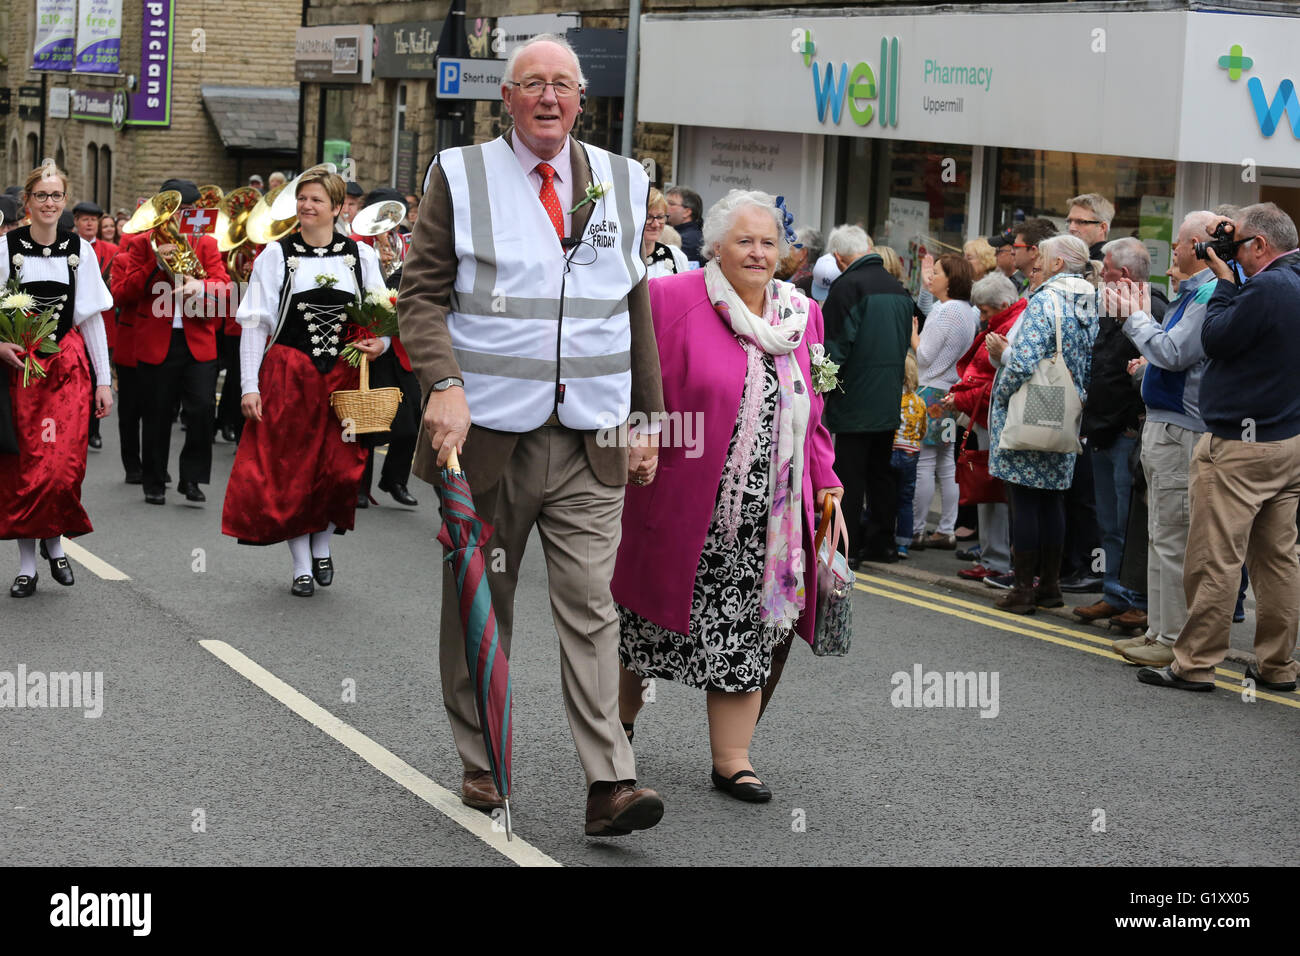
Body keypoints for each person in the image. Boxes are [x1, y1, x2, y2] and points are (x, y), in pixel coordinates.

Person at [399, 34, 667, 836]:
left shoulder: (623, 178)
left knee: (591, 606)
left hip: (593, 435)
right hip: (488, 438)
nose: (548, 98)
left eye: (563, 85)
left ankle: (609, 783)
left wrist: (649, 414)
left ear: (583, 99)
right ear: (507, 99)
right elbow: (420, 293)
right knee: (484, 598)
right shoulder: (459, 172)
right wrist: (442, 384)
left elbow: (632, 300)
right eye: (532, 85)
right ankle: (481, 760)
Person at [612, 189, 841, 802]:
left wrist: (827, 480)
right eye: (745, 241)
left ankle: (733, 758)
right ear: (715, 246)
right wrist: (637, 436)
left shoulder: (802, 315)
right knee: (645, 625)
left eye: (769, 242)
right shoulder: (672, 298)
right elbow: (632, 376)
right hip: (681, 503)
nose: (759, 253)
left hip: (770, 519)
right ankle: (618, 726)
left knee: (749, 630)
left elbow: (811, 415)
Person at [1136, 203, 1300, 693]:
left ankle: (1195, 664)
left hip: (1240, 445)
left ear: (1260, 246)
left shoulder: (1265, 287)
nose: (1229, 254)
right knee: (1277, 559)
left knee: (1215, 557)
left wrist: (1225, 280)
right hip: (1287, 442)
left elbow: (1215, 336)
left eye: (1237, 244)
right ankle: (1277, 666)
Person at [221, 165, 387, 595]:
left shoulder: (359, 256)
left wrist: (381, 344)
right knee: (291, 468)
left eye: (316, 200)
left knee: (341, 467)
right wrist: (249, 385)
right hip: (290, 371)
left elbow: (380, 314)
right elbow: (256, 324)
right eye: (302, 198)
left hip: (345, 373)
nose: (306, 206)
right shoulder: (277, 255)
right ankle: (300, 565)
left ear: (337, 208)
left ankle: (324, 544)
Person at [1111, 211, 1219, 667]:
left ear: (1196, 245)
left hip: (1180, 429)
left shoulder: (1209, 293)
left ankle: (1171, 637)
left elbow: (1175, 353)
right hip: (1166, 424)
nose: (1171, 252)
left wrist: (1135, 318)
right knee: (1160, 533)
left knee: (1173, 537)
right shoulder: (1194, 292)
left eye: (1177, 243)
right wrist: (1149, 365)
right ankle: (1159, 630)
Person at [0, 165, 113, 597]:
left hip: (66, 367)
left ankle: (55, 541)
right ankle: (28, 565)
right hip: (21, 368)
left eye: (57, 195)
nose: (50, 203)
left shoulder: (79, 250)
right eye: (42, 195)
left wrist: (104, 380)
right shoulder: (6, 248)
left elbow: (91, 321)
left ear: (64, 200)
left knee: (63, 468)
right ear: (28, 202)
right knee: (28, 469)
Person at [986, 235, 1099, 614]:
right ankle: (1050, 585)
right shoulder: (1089, 300)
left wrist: (1002, 353)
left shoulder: (1046, 301)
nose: (1037, 263)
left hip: (1033, 409)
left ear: (1059, 265)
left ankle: (1022, 589)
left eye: (1043, 258)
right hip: (1068, 410)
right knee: (1052, 499)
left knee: (1024, 500)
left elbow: (1022, 362)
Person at [111, 179, 231, 505]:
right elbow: (121, 294)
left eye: (189, 211)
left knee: (203, 409)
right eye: (178, 211)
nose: (182, 218)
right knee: (157, 413)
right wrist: (154, 261)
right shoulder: (140, 244)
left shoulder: (205, 244)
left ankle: (191, 479)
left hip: (198, 341)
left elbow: (224, 286)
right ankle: (153, 481)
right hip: (156, 341)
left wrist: (201, 287)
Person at [1072, 236, 1155, 627]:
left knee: (1129, 525)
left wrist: (1128, 423)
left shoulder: (1152, 307)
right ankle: (1113, 594)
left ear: (1121, 273)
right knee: (1110, 523)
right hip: (1101, 432)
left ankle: (1136, 600)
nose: (1099, 275)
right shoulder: (1109, 308)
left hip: (1124, 435)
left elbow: (1152, 367)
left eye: (1103, 268)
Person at [820, 225, 915, 564]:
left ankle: (846, 549)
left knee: (849, 475)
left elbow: (832, 350)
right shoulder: (900, 290)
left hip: (854, 399)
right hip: (888, 397)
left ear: (838, 257)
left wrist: (822, 391)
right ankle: (883, 543)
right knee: (881, 473)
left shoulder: (847, 287)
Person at [944, 272, 1025, 583]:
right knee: (988, 491)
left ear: (1003, 304)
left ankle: (997, 559)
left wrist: (962, 398)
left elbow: (999, 383)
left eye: (985, 310)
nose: (981, 316)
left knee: (992, 492)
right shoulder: (1004, 322)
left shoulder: (1008, 327)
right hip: (984, 416)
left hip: (993, 417)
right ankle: (993, 556)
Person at [350, 188, 420, 510]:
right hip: (368, 338)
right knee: (368, 418)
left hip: (403, 342)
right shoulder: (357, 245)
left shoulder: (407, 242)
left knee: (409, 423)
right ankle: (359, 485)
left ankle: (394, 479)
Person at [912, 253, 978, 550]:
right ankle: (947, 528)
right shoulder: (968, 310)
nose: (932, 277)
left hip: (930, 392)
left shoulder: (944, 311)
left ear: (951, 279)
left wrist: (912, 335)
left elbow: (924, 355)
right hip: (953, 392)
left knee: (925, 462)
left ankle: (916, 529)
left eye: (936, 272)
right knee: (947, 463)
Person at [72, 200, 118, 452]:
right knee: (83, 378)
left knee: (98, 376)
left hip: (104, 323)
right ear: (77, 222)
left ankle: (95, 430)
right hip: (74, 327)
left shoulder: (111, 249)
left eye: (93, 219)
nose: (89, 223)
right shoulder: (70, 248)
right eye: (84, 219)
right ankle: (80, 427)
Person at [893, 354, 926, 559]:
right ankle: (903, 544)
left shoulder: (893, 397)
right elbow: (922, 430)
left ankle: (882, 533)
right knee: (906, 500)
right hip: (911, 453)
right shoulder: (920, 402)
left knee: (885, 494)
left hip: (892, 449)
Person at [642, 187, 689, 279]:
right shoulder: (622, 258)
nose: (655, 224)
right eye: (648, 217)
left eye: (660, 217)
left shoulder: (675, 256)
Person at [1011, 218, 1056, 294]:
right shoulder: (1024, 284)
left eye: (1016, 247)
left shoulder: (1047, 294)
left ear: (1033, 251)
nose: (1012, 252)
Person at [1067, 192, 1114, 260]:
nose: (1071, 228)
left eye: (1080, 222)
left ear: (1102, 227)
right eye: (1069, 221)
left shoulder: (1106, 265)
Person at [665, 185, 704, 263]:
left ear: (687, 212)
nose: (664, 206)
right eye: (664, 202)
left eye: (671, 204)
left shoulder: (688, 240)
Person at [781, 226, 821, 296]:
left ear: (803, 253)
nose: (787, 254)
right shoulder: (819, 274)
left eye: (791, 249)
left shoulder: (800, 282)